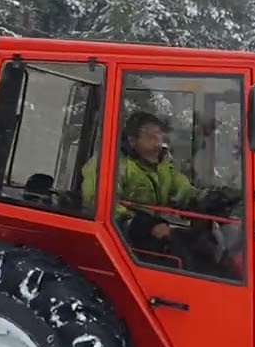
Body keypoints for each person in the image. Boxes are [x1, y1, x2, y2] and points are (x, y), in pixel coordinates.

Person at [81, 110, 242, 276]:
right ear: (132, 140)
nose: (158, 143)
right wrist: (144, 225)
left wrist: (207, 199)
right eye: (151, 137)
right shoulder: (111, 163)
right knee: (182, 256)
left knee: (204, 249)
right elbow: (97, 201)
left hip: (154, 232)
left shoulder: (162, 166)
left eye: (160, 137)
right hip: (120, 238)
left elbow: (183, 191)